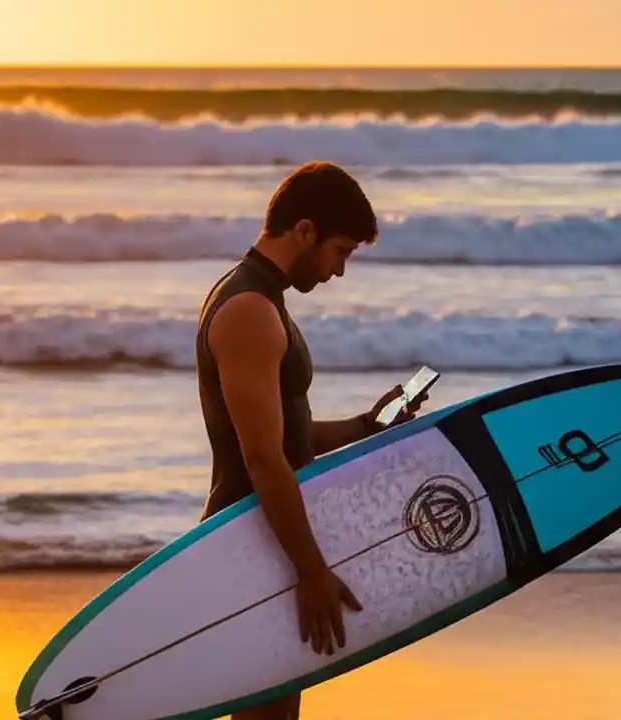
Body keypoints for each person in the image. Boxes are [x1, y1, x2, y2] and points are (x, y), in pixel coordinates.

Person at [196, 161, 428, 719]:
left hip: (263, 534)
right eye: (340, 251)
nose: (339, 271)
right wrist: (310, 570)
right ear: (304, 231)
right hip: (251, 537)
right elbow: (260, 456)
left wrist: (363, 427)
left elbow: (282, 435)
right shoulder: (250, 309)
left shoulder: (260, 299)